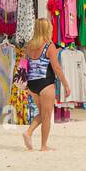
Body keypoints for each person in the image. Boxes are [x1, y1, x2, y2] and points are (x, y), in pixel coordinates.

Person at [22, 17, 69, 152]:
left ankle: (29, 133)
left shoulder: (29, 45)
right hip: (46, 84)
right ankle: (43, 145)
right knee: (47, 116)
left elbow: (27, 64)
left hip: (32, 85)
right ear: (47, 29)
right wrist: (66, 85)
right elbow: (56, 68)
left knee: (43, 114)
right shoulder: (49, 46)